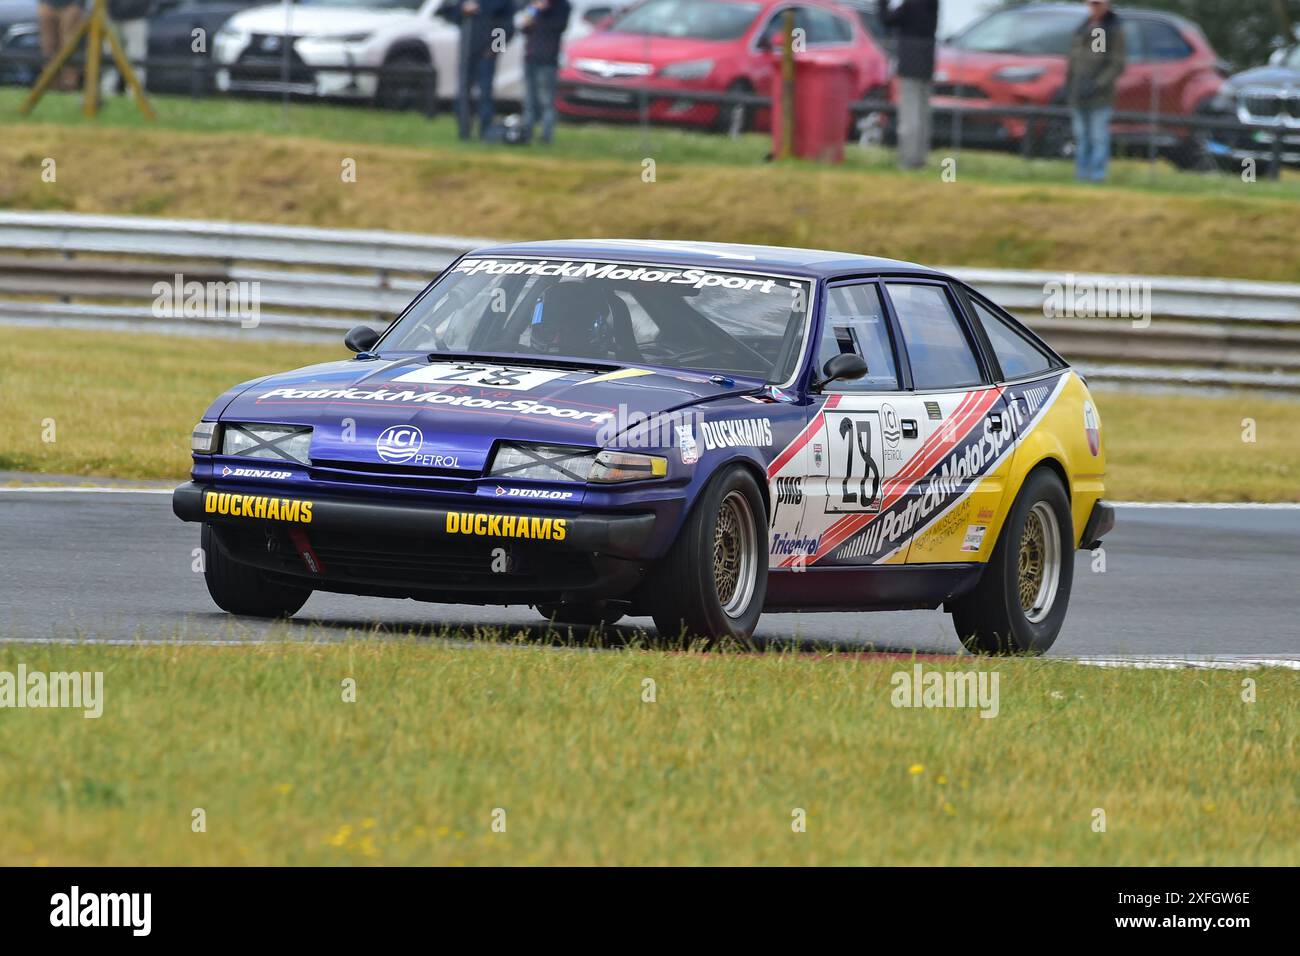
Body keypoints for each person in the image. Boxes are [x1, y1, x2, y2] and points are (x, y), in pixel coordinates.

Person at [1065, 0, 1126, 182]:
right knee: (1081, 135)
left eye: (1098, 4)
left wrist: (1096, 83)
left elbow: (1103, 60)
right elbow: (1076, 59)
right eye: (1092, 4)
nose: (1094, 8)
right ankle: (1082, 173)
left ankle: (1097, 175)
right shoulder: (1084, 26)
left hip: (1098, 95)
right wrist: (1070, 84)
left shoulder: (1105, 29)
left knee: (1097, 135)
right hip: (1078, 91)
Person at [439, 0, 516, 140]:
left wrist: (495, 49)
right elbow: (450, 14)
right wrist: (463, 9)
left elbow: (508, 26)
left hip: (487, 53)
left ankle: (485, 130)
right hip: (468, 50)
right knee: (463, 91)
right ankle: (464, 129)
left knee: (485, 92)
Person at [879, 0, 939, 170]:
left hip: (910, 62)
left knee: (909, 113)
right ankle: (920, 157)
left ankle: (909, 159)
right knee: (922, 113)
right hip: (927, 62)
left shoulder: (911, 4)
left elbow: (887, 20)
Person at [519, 0, 570, 145]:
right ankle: (526, 133)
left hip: (548, 60)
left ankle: (546, 136)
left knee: (547, 100)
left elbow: (559, 27)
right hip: (530, 57)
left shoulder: (561, 6)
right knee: (529, 99)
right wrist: (533, 12)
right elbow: (524, 27)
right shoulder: (532, 5)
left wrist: (544, 10)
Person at [100, 0, 153, 96]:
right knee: (110, 55)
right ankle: (107, 90)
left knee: (136, 57)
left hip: (136, 14)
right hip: (114, 14)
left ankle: (135, 92)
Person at [37, 0, 84, 91]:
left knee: (69, 48)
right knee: (48, 48)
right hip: (47, 3)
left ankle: (70, 85)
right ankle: (51, 85)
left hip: (71, 4)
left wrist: (78, 5)